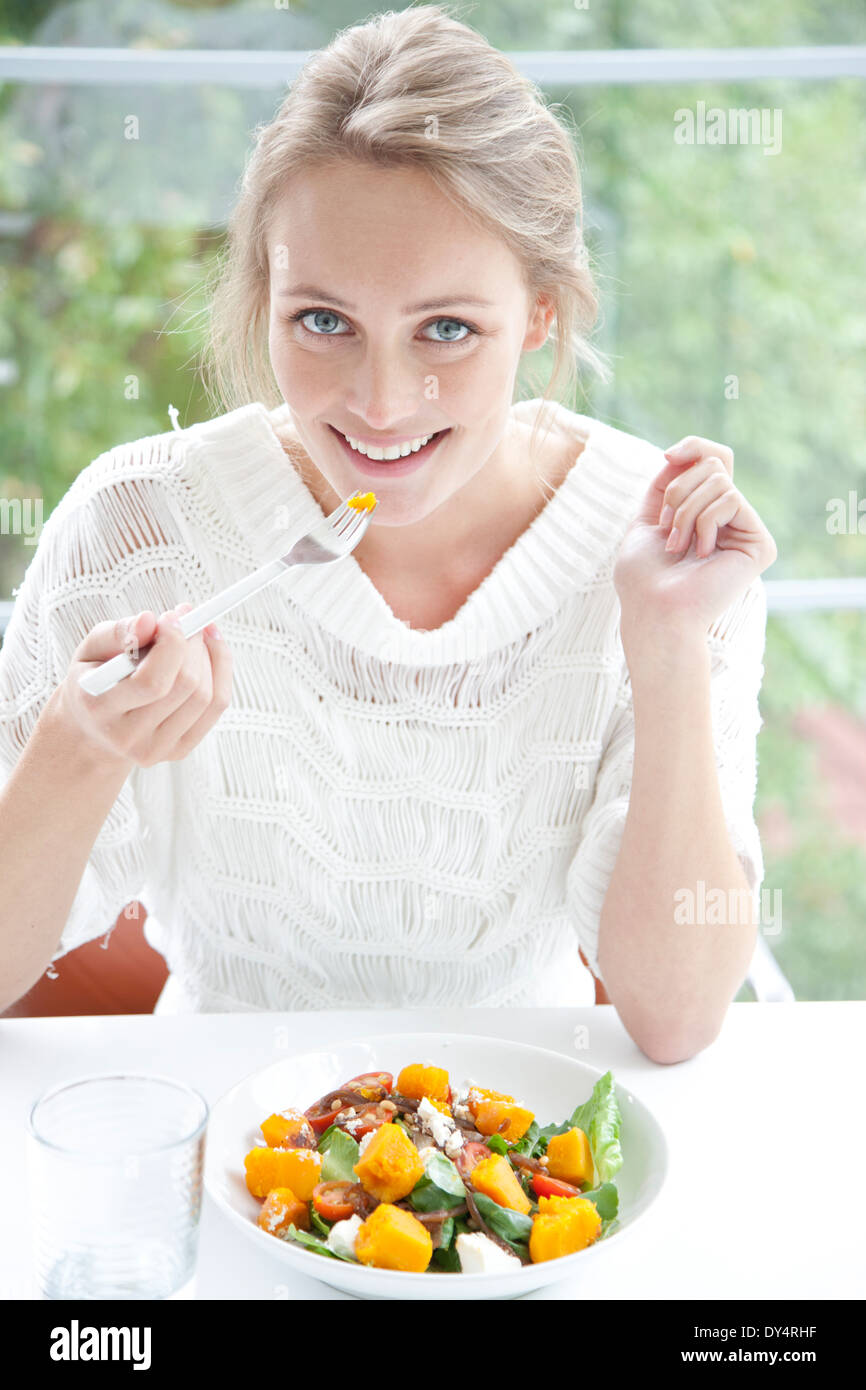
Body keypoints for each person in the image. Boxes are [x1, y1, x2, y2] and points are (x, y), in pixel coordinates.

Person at [0, 5, 776, 1061]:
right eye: (323, 321)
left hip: (520, 1157)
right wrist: (79, 746)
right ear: (265, 297)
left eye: (446, 329)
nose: (378, 403)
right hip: (222, 1147)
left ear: (541, 313)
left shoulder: (657, 546)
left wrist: (668, 646)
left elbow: (676, 1017)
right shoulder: (136, 525)